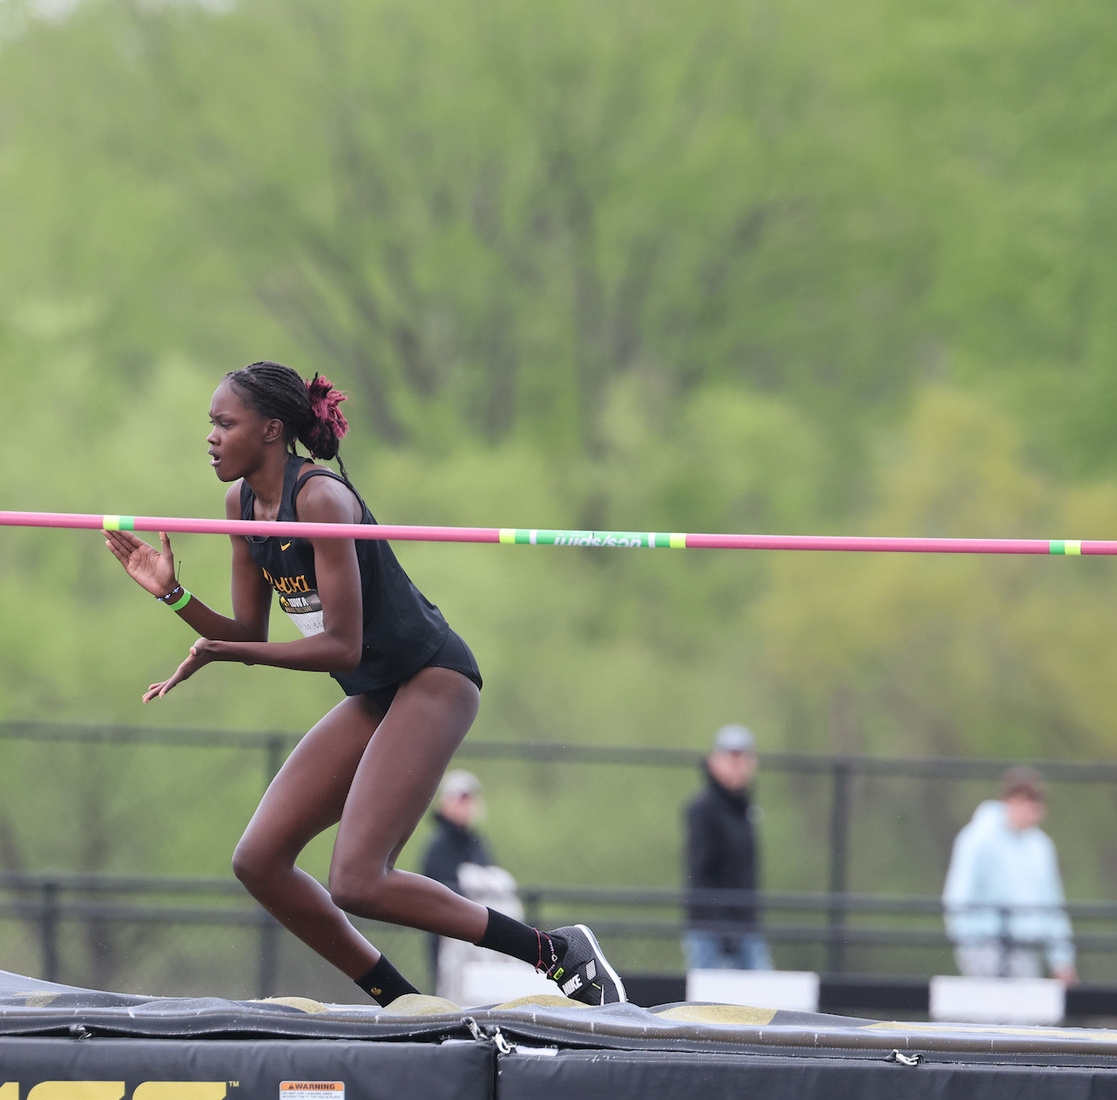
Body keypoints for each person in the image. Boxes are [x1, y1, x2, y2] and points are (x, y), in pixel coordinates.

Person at [104, 362, 624, 1006]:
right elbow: (245, 628)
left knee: (357, 880)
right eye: (211, 423)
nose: (210, 436)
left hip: (432, 679)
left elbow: (339, 645)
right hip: (376, 691)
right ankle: (400, 1001)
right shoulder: (241, 504)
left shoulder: (321, 500)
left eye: (223, 423)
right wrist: (175, 595)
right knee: (259, 860)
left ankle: (554, 951)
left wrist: (230, 654)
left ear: (271, 430)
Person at [942, 768, 1076, 984]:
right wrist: (971, 945)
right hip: (985, 948)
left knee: (1024, 1015)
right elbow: (958, 895)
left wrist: (1061, 959)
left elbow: (1052, 904)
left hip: (1025, 950)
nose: (1039, 812)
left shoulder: (1040, 846)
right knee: (988, 1013)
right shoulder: (977, 839)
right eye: (1032, 803)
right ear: (1014, 800)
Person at [419, 770, 537, 1001]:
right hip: (448, 934)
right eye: (459, 799)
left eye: (469, 800)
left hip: (480, 932)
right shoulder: (438, 846)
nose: (465, 806)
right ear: (446, 802)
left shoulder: (477, 843)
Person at [683, 725, 770, 972]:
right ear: (714, 761)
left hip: (746, 926)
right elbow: (699, 873)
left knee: (762, 1002)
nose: (737, 764)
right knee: (708, 1004)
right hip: (710, 929)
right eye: (730, 757)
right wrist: (722, 927)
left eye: (742, 757)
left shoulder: (745, 810)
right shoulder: (703, 809)